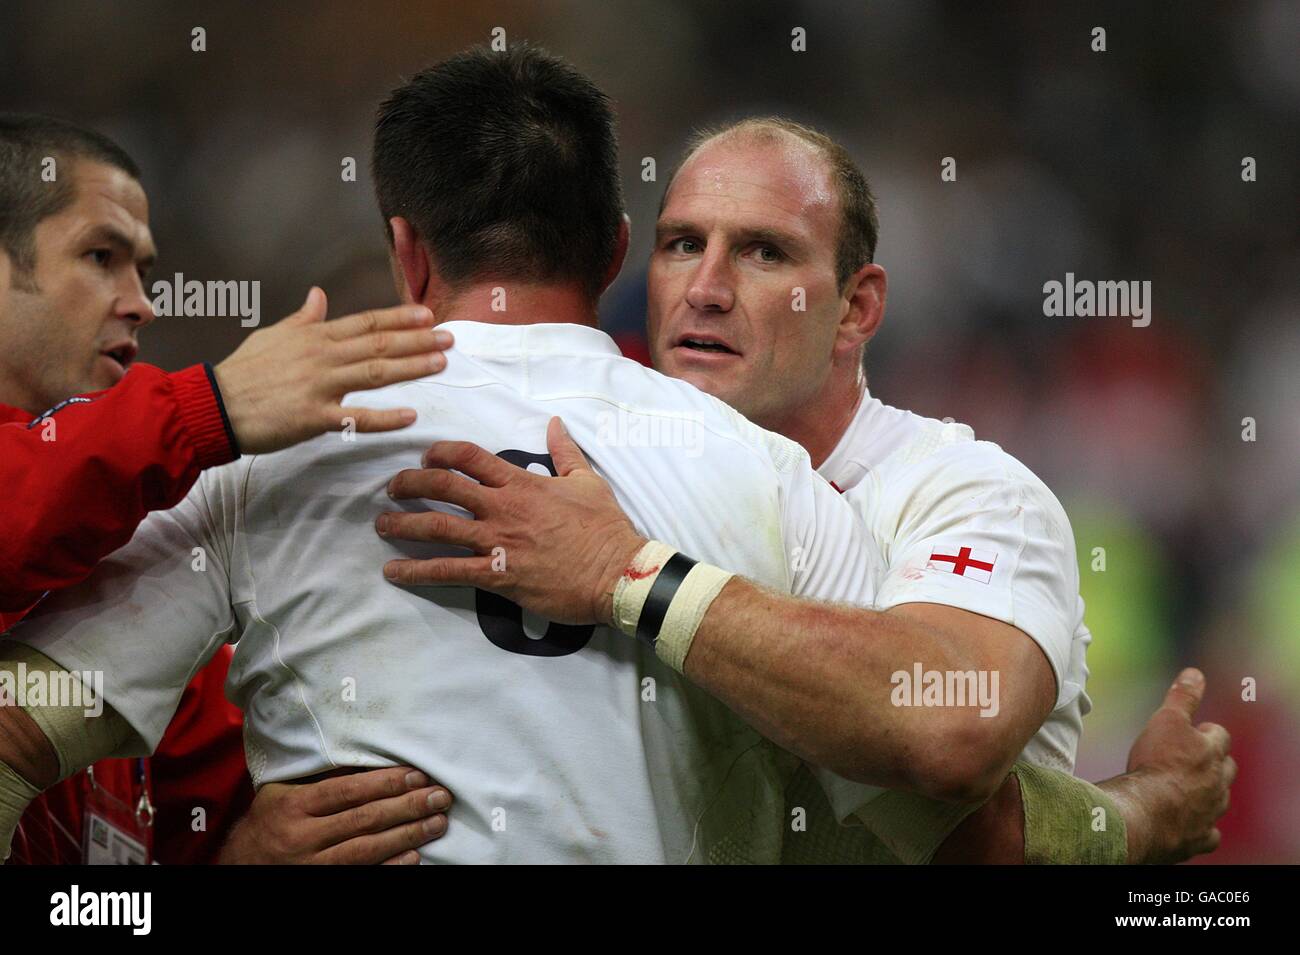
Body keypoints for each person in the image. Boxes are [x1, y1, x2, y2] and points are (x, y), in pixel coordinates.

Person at [0, 44, 889, 863]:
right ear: (616, 249)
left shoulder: (272, 447)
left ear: (405, 251)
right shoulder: (766, 472)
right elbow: (944, 773)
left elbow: (15, 741)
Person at [377, 117, 1234, 863]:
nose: (705, 290)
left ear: (858, 308)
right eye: (683, 245)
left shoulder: (963, 494)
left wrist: (628, 575)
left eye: (762, 251)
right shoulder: (589, 481)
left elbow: (951, 729)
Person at [0, 113, 452, 864]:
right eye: (101, 255)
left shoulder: (131, 593)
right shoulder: (85, 499)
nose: (142, 302)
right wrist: (209, 408)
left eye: (143, 270)